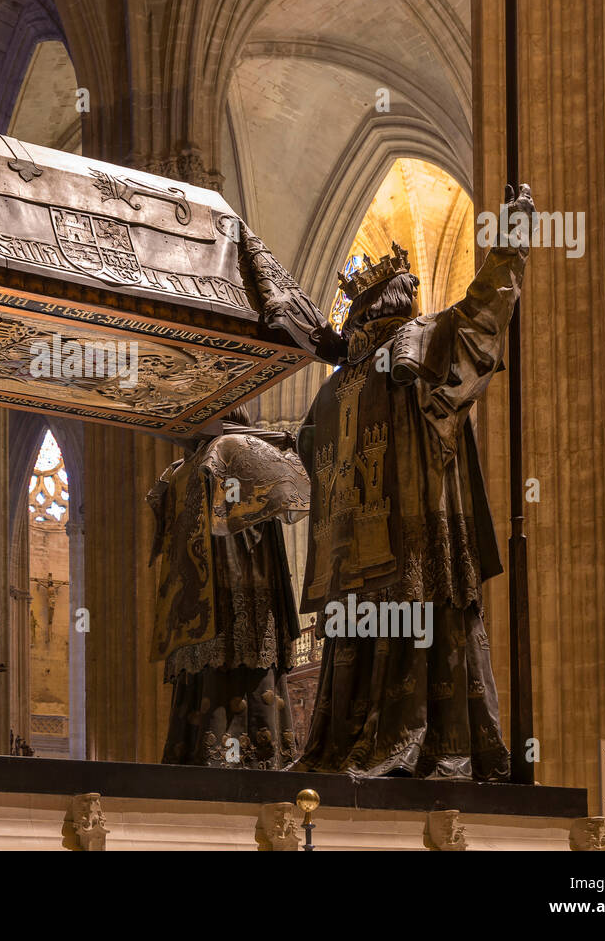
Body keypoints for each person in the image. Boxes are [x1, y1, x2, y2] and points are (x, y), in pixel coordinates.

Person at [294, 186, 533, 781]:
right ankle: (426, 744)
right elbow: (483, 310)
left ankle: (355, 739)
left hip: (354, 572)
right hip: (419, 544)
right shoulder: (417, 344)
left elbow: (301, 450)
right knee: (432, 621)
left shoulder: (332, 391)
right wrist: (511, 245)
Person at [148, 406, 308, 768]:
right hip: (202, 600)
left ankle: (244, 761)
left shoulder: (232, 449)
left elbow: (263, 517)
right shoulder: (183, 470)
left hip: (240, 591)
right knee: (206, 680)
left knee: (238, 679)